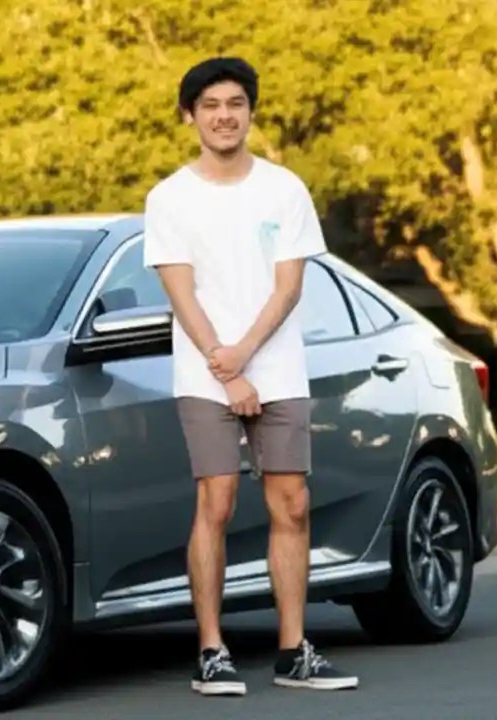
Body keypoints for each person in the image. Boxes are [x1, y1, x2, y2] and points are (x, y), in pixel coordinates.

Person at [142, 57, 360, 696]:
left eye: (235, 103)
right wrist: (224, 364)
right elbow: (181, 294)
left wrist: (247, 355)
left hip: (277, 365)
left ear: (251, 112)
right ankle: (212, 651)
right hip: (205, 372)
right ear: (190, 116)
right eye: (210, 104)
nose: (224, 115)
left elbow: (289, 286)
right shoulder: (169, 198)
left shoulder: (284, 189)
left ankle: (294, 651)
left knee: (291, 503)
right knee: (217, 501)